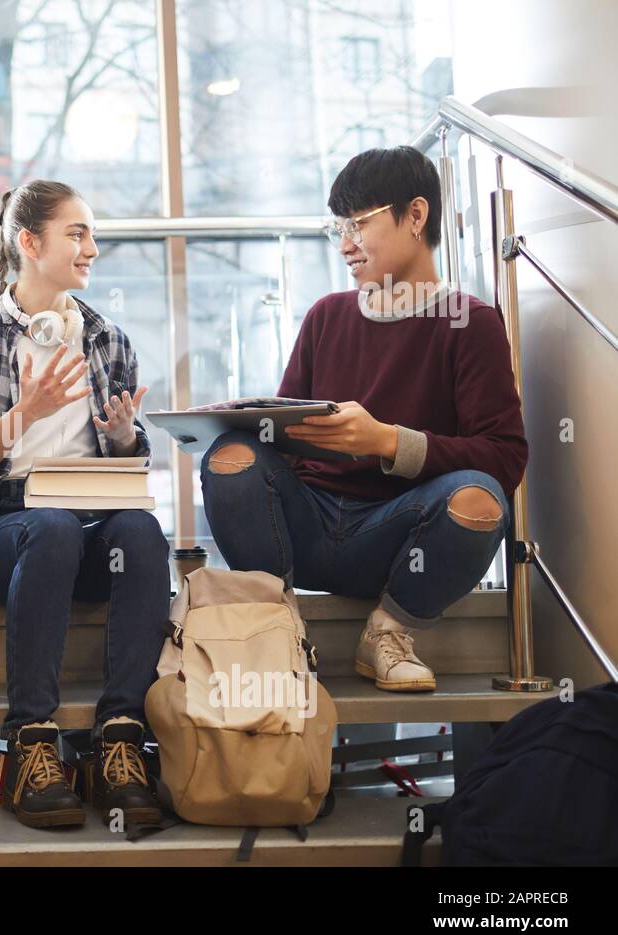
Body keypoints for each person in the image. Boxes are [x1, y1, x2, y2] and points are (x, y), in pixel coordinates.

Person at [200, 146, 528, 693]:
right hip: (303, 530)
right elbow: (277, 441)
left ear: (416, 216)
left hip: (397, 539)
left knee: (479, 496)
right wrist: (245, 424)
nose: (346, 244)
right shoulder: (327, 315)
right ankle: (276, 629)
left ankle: (389, 632)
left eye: (358, 224)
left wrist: (388, 442)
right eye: (338, 229)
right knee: (230, 457)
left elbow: (505, 456)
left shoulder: (471, 323)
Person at [0, 180, 168, 829]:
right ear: (29, 242)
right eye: (77, 233)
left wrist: (128, 436)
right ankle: (30, 741)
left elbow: (131, 464)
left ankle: (121, 738)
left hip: (91, 520)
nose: (92, 249)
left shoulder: (106, 339)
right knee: (49, 529)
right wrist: (26, 414)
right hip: (3, 528)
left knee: (143, 532)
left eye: (91, 234)